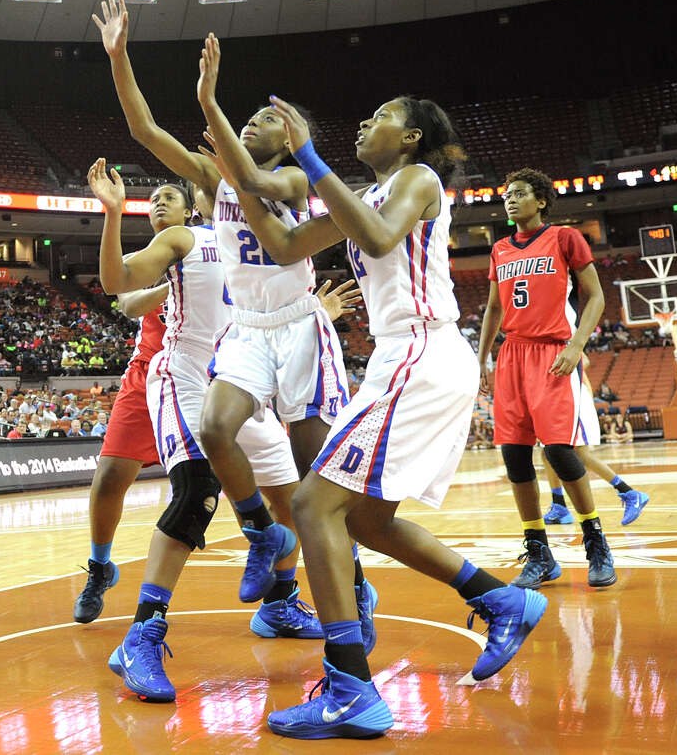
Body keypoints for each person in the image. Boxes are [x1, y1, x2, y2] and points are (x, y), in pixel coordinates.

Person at [241, 96, 546, 740]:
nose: (360, 120)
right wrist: (234, 169)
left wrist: (305, 153)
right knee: (365, 519)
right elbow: (284, 242)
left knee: (311, 505)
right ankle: (501, 598)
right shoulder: (369, 193)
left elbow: (379, 238)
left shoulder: (417, 179)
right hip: (404, 356)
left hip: (420, 350)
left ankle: (351, 685)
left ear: (409, 137)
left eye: (377, 115)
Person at [92, 0, 361, 636]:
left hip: (297, 329)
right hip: (244, 336)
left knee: (308, 483)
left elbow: (260, 187)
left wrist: (211, 103)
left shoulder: (296, 180)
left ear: (292, 137)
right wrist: (119, 55)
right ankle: (258, 538)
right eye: (249, 118)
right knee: (216, 435)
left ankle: (347, 585)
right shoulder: (212, 182)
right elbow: (145, 131)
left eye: (268, 119)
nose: (253, 123)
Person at [87, 162, 317, 704]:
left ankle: (280, 603)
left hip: (242, 377)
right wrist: (114, 212)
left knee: (295, 505)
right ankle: (142, 634)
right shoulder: (184, 237)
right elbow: (118, 284)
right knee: (196, 494)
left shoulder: (261, 234)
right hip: (184, 376)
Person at [476, 169, 616, 589]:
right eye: (507, 195)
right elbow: (493, 310)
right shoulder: (500, 248)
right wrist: (482, 358)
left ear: (540, 200)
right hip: (512, 355)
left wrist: (576, 345)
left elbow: (595, 296)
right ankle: (539, 553)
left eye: (519, 194)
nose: (511, 201)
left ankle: (596, 541)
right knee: (515, 457)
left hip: (553, 353)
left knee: (559, 449)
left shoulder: (565, 238)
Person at [72, 281, 168, 624]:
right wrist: (174, 285)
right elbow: (129, 302)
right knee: (109, 477)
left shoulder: (223, 253)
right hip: (148, 374)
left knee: (244, 482)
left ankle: (279, 593)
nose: (161, 221)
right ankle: (100, 568)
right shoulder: (149, 262)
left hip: (205, 375)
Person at [542, 356, 649, 527]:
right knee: (547, 453)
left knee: (581, 453)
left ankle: (628, 492)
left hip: (571, 393)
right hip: (554, 395)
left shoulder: (562, 332)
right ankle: (559, 505)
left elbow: (583, 359)